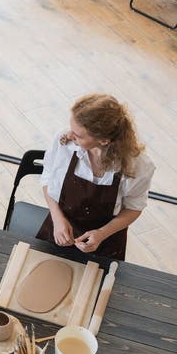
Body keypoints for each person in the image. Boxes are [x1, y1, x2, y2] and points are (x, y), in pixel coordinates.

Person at [37, 94, 155, 260]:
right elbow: (48, 177)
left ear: (104, 140)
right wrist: (57, 218)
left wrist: (101, 234)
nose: (69, 136)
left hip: (106, 239)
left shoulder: (137, 166)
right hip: (59, 228)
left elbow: (134, 207)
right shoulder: (64, 142)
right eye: (71, 129)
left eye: (78, 135)